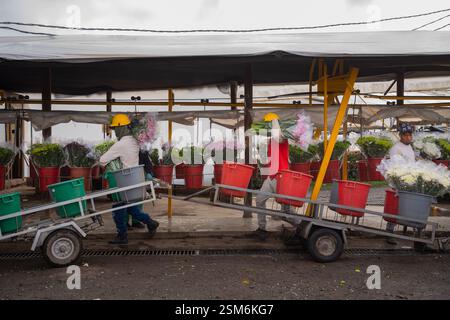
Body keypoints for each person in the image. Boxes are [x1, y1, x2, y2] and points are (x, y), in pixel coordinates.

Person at [100, 114, 159, 245]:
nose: (115, 131)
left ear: (121, 128)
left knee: (119, 208)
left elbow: (102, 160)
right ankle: (150, 223)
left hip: (125, 179)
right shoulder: (135, 140)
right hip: (135, 178)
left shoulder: (121, 144)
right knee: (131, 208)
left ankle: (122, 236)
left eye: (115, 128)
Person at [254, 113, 292, 241]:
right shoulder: (272, 139)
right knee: (259, 199)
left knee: (287, 208)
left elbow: (278, 137)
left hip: (281, 176)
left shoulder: (282, 137)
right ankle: (262, 228)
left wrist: (275, 121)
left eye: (269, 125)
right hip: (272, 177)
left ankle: (301, 225)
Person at [385, 122, 416, 245]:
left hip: (410, 180)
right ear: (400, 135)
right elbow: (394, 166)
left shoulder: (409, 147)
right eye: (406, 135)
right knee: (395, 207)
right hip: (399, 181)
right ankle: (389, 233)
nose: (408, 137)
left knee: (408, 207)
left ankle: (413, 232)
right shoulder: (395, 148)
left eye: (410, 135)